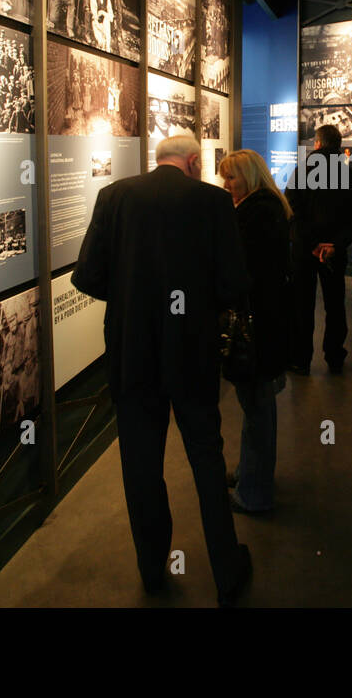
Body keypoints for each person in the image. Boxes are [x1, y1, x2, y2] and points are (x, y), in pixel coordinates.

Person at [72, 134, 253, 606]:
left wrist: (136, 296)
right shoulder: (213, 202)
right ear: (194, 162)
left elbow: (87, 276)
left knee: (141, 464)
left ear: (159, 161)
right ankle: (226, 571)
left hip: (133, 355)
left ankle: (152, 569)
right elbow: (234, 284)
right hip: (192, 354)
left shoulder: (114, 197)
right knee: (207, 460)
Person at [218, 150, 293, 514]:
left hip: (258, 326)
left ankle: (255, 492)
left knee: (258, 407)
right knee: (257, 406)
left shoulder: (256, 214)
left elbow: (245, 273)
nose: (225, 184)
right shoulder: (267, 207)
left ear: (248, 177)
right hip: (268, 322)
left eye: (230, 177)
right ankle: (251, 475)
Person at [285, 125, 352, 375]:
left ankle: (300, 359)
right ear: (339, 145)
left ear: (318, 144)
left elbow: (292, 212)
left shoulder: (303, 170)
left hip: (303, 252)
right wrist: (335, 244)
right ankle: (334, 355)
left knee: (302, 305)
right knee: (335, 303)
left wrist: (311, 245)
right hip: (334, 253)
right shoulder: (351, 174)